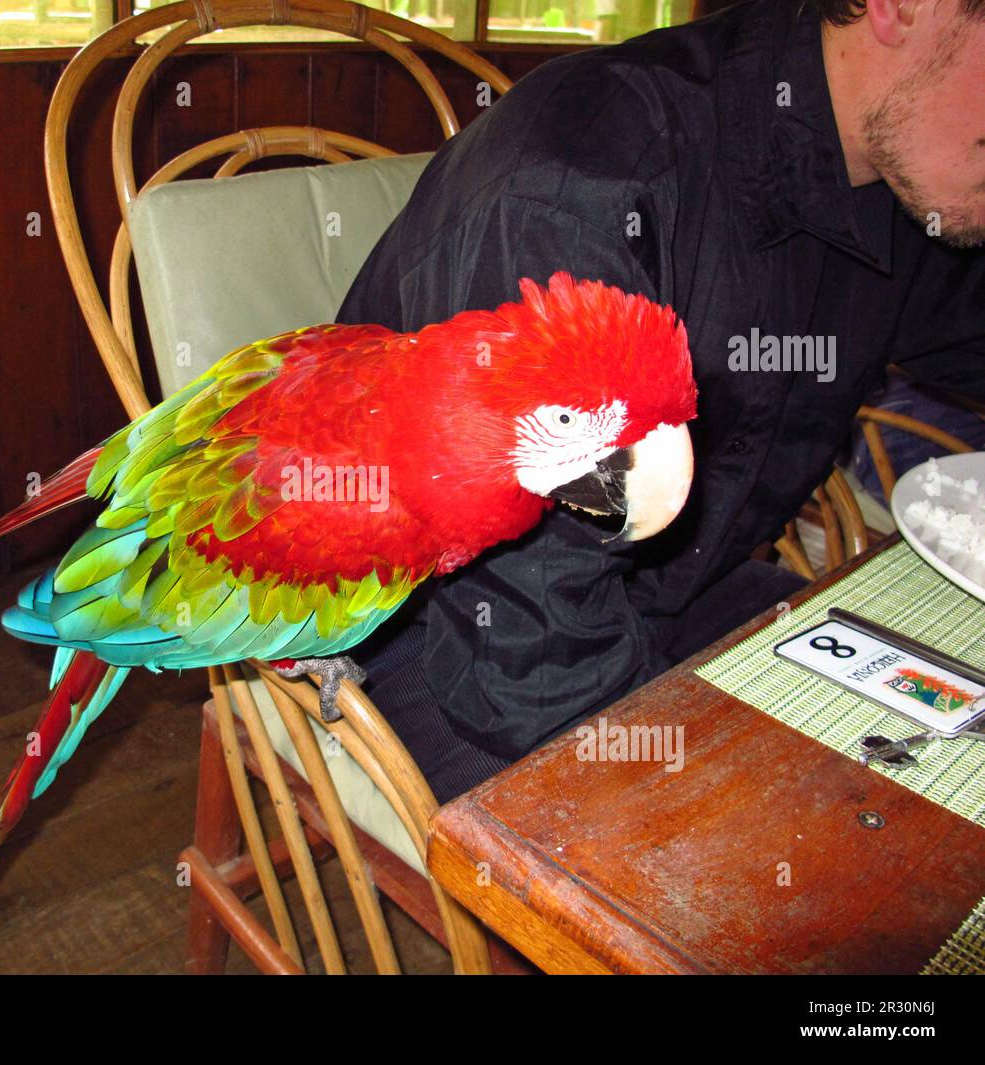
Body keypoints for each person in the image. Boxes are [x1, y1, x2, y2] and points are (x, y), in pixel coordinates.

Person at [335, 0, 985, 801]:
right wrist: (712, 789)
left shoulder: (912, 184)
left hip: (684, 591)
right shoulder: (577, 183)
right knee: (811, 851)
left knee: (953, 744)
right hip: (445, 643)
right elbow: (528, 655)